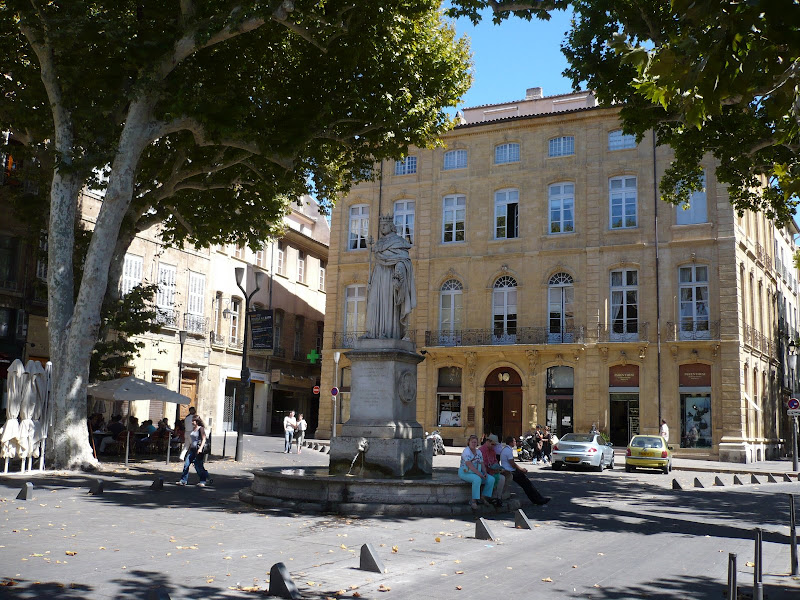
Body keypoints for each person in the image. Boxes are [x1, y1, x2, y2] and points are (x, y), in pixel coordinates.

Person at [364, 214, 417, 340]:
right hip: (378, 275)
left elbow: (404, 259)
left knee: (388, 304)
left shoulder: (398, 242)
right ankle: (373, 332)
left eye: (385, 225)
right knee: (373, 302)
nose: (382, 228)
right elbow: (377, 260)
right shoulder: (378, 244)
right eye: (381, 225)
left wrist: (399, 273)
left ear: (391, 226)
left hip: (389, 276)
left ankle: (387, 332)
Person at [499, 436, 550, 506]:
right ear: (511, 442)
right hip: (510, 471)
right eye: (514, 441)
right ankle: (537, 499)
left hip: (511, 470)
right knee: (526, 484)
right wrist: (521, 469)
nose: (515, 443)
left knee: (527, 483)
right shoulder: (508, 450)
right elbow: (512, 464)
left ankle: (538, 498)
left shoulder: (507, 449)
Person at [458, 434, 496, 509]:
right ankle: (473, 501)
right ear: (469, 442)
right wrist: (479, 474)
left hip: (477, 472)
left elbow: (482, 464)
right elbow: (469, 465)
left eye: (475, 442)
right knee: (477, 479)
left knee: (491, 479)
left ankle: (483, 497)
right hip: (466, 472)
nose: (474, 444)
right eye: (472, 442)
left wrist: (485, 472)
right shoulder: (466, 451)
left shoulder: (478, 452)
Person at [177, 415, 211, 486]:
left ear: (197, 421)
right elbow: (192, 440)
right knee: (186, 464)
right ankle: (183, 480)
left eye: (193, 421)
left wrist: (200, 448)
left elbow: (204, 439)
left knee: (198, 466)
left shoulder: (200, 428)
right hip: (192, 449)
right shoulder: (193, 429)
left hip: (198, 450)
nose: (192, 422)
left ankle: (203, 480)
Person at [479, 434, 505, 502]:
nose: (494, 446)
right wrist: (492, 470)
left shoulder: (492, 450)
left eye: (495, 445)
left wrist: (498, 468)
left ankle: (497, 497)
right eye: (492, 444)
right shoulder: (481, 451)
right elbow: (482, 465)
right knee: (500, 478)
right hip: (484, 471)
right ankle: (492, 497)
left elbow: (495, 461)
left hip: (492, 470)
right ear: (488, 441)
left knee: (503, 477)